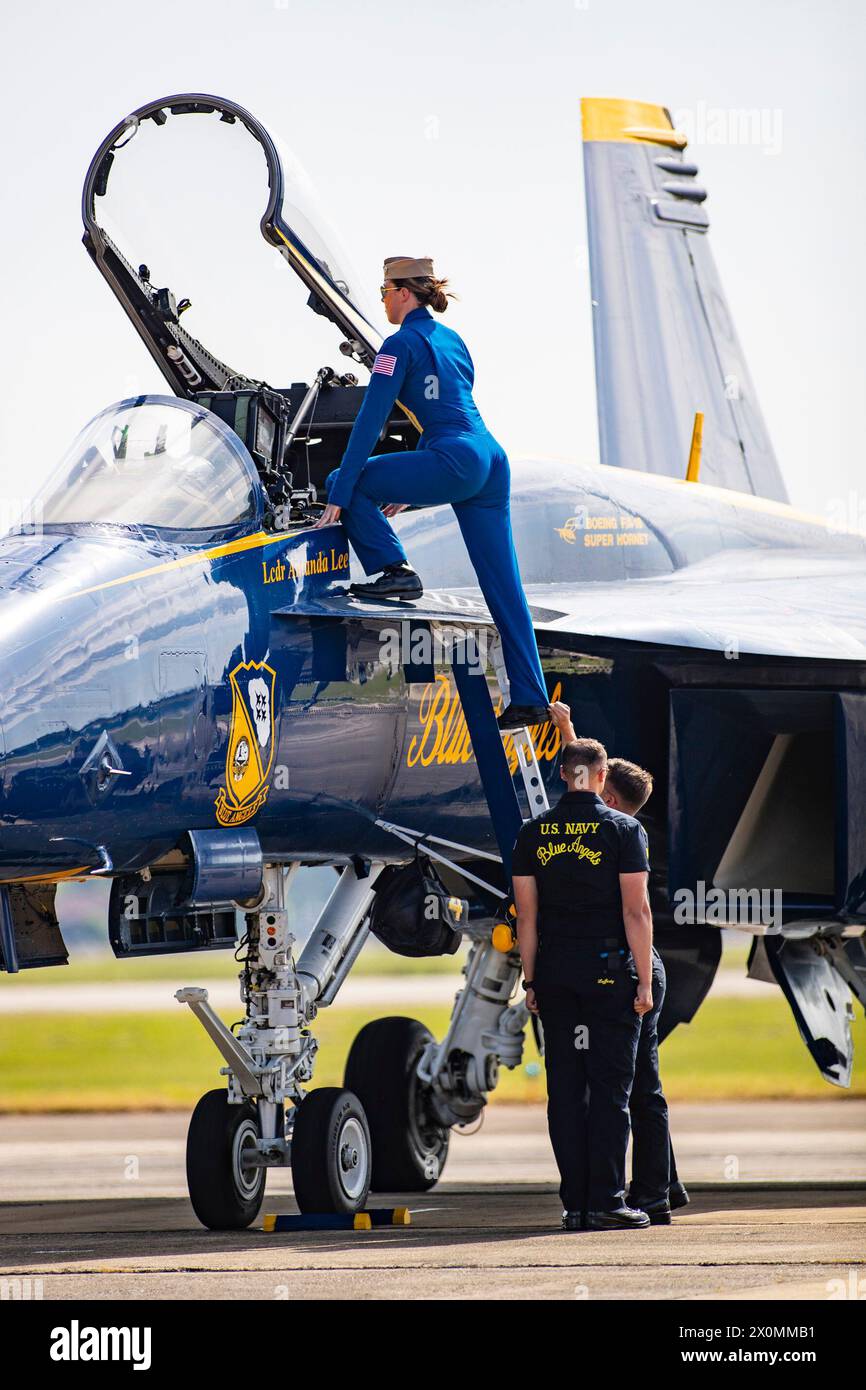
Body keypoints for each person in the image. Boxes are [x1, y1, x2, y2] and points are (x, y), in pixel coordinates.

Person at [313, 254, 550, 730]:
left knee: (345, 477)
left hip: (454, 459)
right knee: (505, 587)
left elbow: (372, 420)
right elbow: (444, 409)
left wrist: (340, 491)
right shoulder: (453, 338)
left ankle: (393, 569)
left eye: (384, 292)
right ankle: (531, 698)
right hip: (490, 459)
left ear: (403, 292)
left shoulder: (396, 345)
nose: (382, 300)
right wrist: (418, 479)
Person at [548, 702, 689, 1220]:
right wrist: (566, 730)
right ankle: (659, 1188)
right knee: (640, 1084)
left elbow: (638, 911)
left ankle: (650, 1191)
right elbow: (585, 769)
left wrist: (641, 984)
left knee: (637, 1090)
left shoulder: (617, 836)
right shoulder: (619, 829)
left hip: (632, 969)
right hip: (640, 967)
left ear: (606, 794)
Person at [511, 736, 654, 1232]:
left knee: (566, 1091)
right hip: (609, 972)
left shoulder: (532, 833)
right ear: (600, 778)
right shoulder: (623, 829)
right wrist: (643, 982)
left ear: (562, 774)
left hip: (555, 973)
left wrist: (530, 980)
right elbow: (635, 911)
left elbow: (526, 918)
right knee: (611, 1090)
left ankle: (575, 1205)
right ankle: (608, 1201)